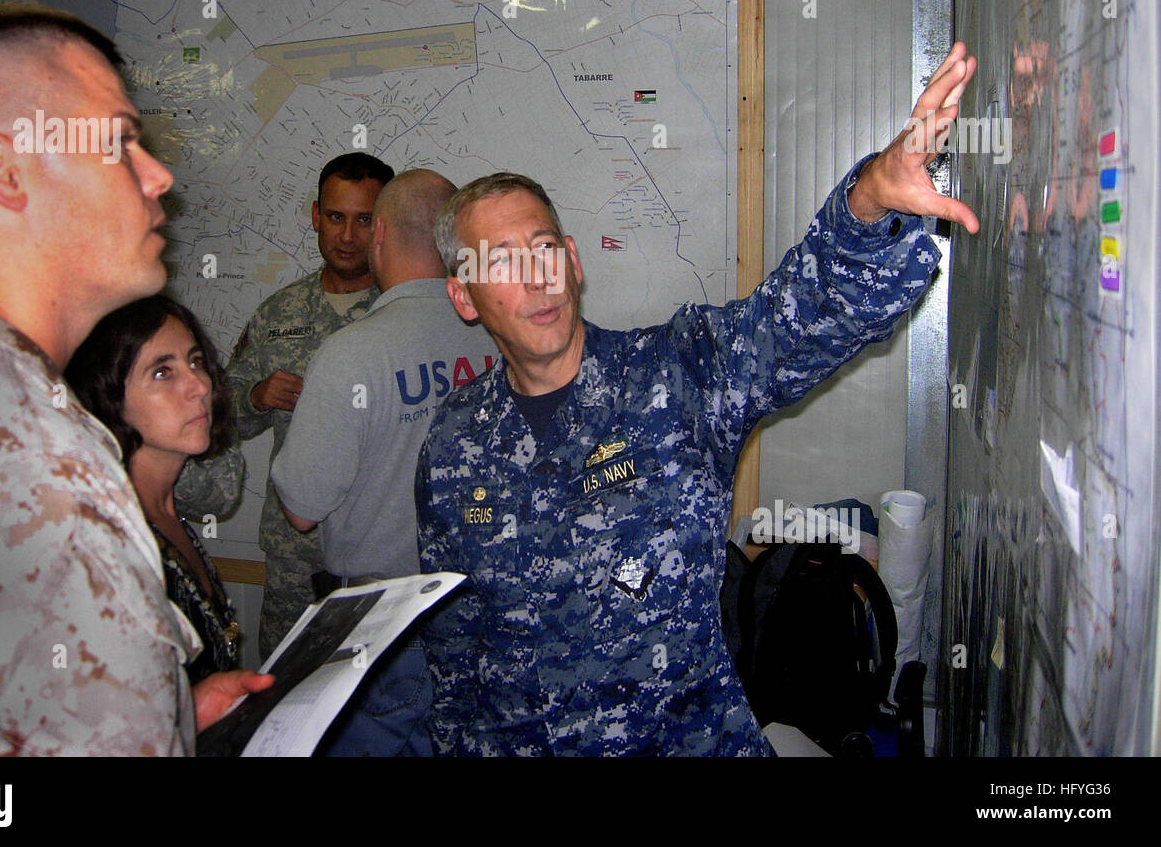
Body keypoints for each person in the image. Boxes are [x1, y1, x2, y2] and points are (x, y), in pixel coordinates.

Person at [415, 42, 982, 756]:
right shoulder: (453, 445)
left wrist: (869, 200)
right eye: (502, 261)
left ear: (574, 259)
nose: (536, 277)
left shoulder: (678, 373)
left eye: (545, 247)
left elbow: (797, 319)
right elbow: (455, 643)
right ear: (463, 297)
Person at [0, 4, 269, 755]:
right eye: (117, 143)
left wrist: (174, 715)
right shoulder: (28, 466)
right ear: (2, 170)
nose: (158, 175)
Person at [271, 169, 497, 755]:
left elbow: (300, 509)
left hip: (385, 628)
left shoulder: (352, 353)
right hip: (481, 615)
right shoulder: (494, 335)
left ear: (380, 238)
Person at [195, 152, 393, 660]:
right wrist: (255, 397)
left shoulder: (406, 313)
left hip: (386, 558)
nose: (347, 236)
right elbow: (220, 420)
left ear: (384, 224)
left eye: (364, 219)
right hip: (294, 565)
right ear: (315, 217)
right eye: (335, 217)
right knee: (286, 703)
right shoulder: (278, 313)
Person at [67, 296, 246, 684]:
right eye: (163, 372)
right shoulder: (109, 541)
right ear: (109, 397)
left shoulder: (164, 513)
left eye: (196, 361)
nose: (199, 384)